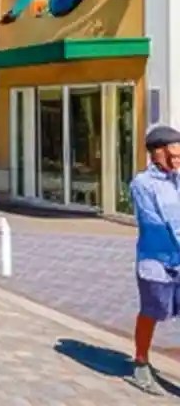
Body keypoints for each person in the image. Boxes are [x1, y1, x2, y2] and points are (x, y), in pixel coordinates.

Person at [128, 124, 180, 395]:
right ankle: (140, 360)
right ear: (155, 153)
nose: (176, 160)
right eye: (171, 154)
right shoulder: (142, 183)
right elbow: (155, 223)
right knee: (152, 311)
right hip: (156, 260)